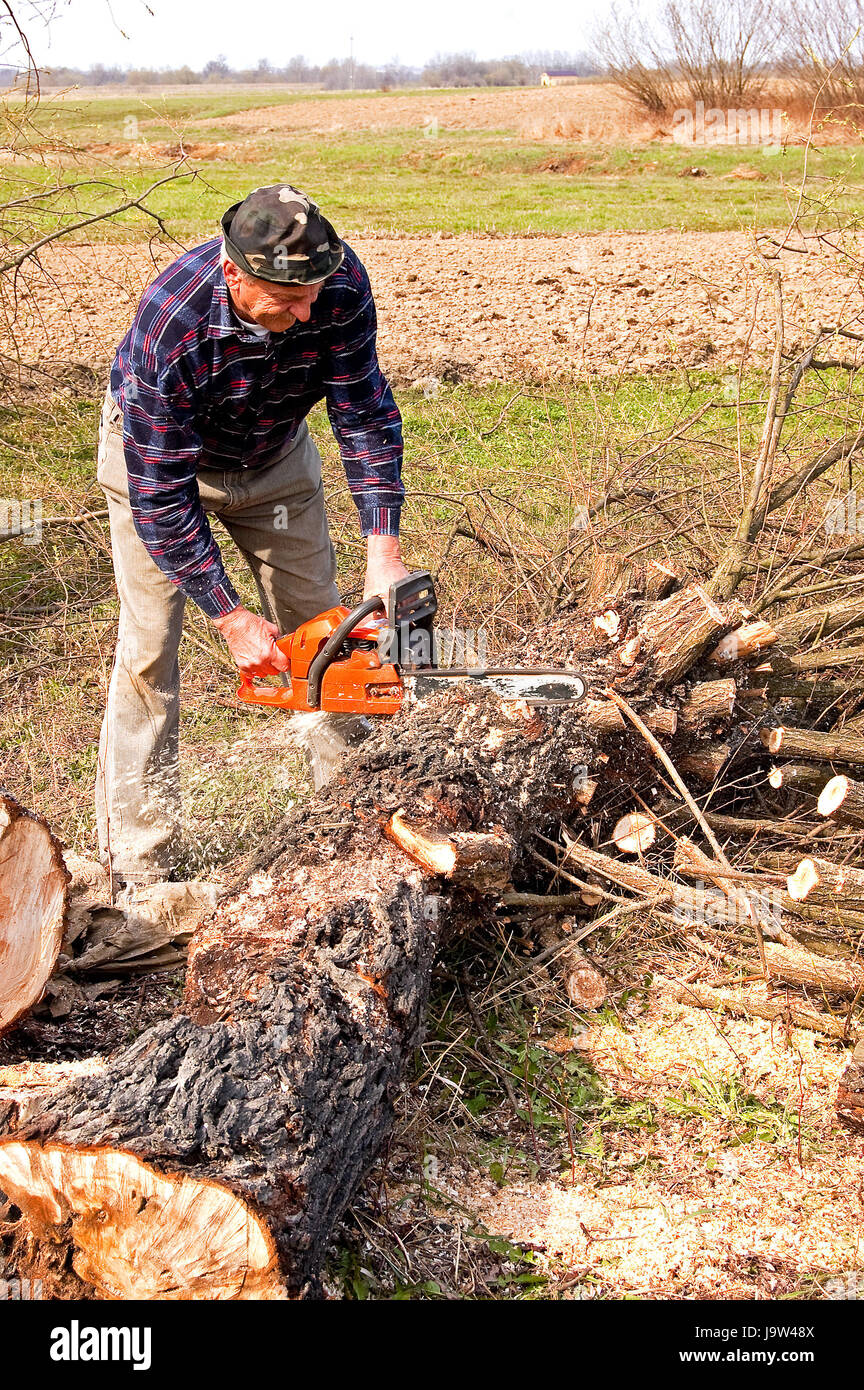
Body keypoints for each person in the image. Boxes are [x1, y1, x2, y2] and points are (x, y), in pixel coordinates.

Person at [96, 183, 408, 886]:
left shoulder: (338, 284)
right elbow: (160, 496)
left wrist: (383, 548)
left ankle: (354, 823)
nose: (305, 315)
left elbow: (362, 410)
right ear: (234, 272)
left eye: (313, 297)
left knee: (328, 630)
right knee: (150, 651)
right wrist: (230, 615)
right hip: (161, 463)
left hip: (274, 458)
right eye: (287, 299)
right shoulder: (171, 323)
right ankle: (139, 867)